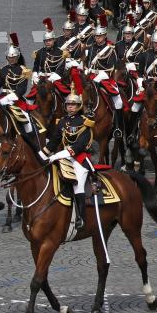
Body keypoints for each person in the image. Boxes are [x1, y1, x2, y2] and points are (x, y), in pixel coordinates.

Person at [41, 81, 96, 231]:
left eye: (73, 105)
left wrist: (59, 154)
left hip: (79, 158)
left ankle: (82, 218)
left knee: (78, 184)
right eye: (68, 105)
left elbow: (79, 146)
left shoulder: (85, 122)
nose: (70, 107)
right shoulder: (62, 122)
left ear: (78, 106)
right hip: (64, 157)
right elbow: (54, 142)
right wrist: (42, 154)